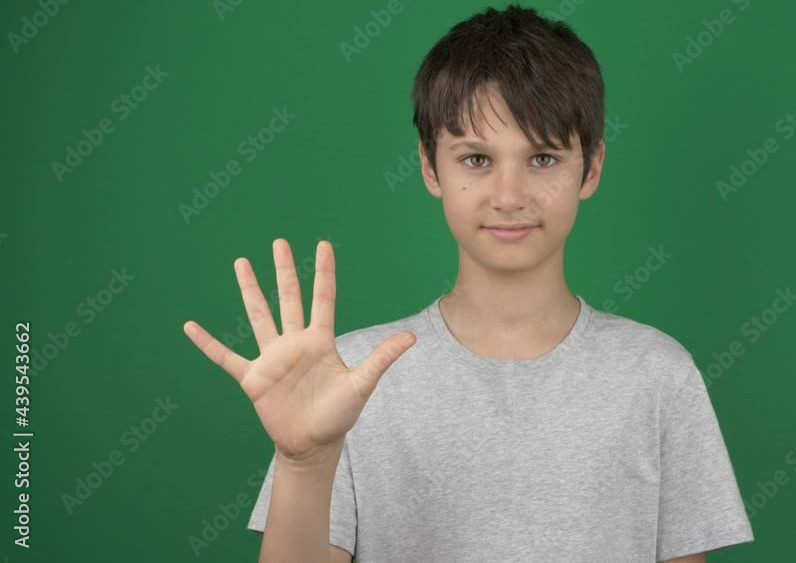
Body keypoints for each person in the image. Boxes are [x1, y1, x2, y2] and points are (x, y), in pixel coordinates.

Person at [183, 4, 754, 561]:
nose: (509, 197)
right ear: (431, 167)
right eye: (476, 159)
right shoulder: (347, 381)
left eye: (544, 158)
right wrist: (305, 464)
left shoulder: (657, 375)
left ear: (593, 167)